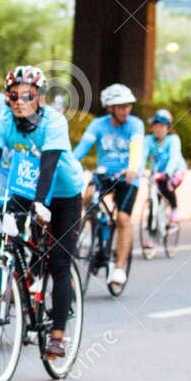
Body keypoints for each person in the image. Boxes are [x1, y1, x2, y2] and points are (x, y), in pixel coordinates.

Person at [0, 65, 88, 361]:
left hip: (62, 193)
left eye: (28, 95)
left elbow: (48, 164)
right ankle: (27, 286)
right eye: (13, 95)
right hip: (25, 188)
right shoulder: (3, 121)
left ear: (40, 98)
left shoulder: (54, 122)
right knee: (15, 241)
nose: (19, 101)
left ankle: (58, 335)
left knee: (59, 263)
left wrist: (41, 203)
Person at [73, 83, 145, 288]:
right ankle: (99, 229)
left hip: (127, 178)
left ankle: (119, 268)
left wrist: (132, 167)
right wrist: (67, 163)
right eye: (121, 106)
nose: (126, 110)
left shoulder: (135, 124)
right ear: (110, 108)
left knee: (123, 218)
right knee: (87, 197)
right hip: (104, 174)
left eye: (128, 106)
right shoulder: (98, 124)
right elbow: (82, 148)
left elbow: (137, 147)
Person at [145, 108, 186, 227]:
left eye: (162, 126)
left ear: (168, 127)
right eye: (155, 125)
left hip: (175, 171)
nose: (158, 129)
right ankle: (153, 231)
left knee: (167, 185)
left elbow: (174, 158)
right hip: (157, 172)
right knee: (153, 198)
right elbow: (142, 155)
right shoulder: (148, 140)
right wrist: (138, 169)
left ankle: (175, 209)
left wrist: (167, 173)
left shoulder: (173, 140)